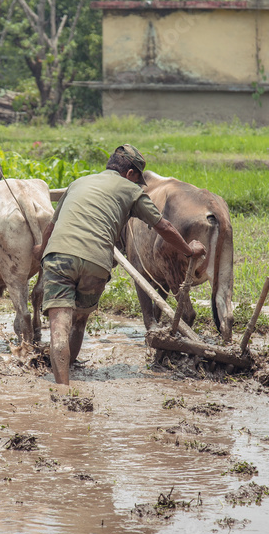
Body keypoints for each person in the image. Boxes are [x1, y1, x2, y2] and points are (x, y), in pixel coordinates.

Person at [32, 144, 208, 385]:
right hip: (96, 262)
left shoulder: (78, 183)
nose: (137, 185)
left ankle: (63, 390)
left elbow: (51, 226)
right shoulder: (131, 191)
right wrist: (189, 250)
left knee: (58, 327)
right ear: (130, 174)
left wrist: (40, 251)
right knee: (79, 322)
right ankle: (69, 370)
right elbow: (164, 227)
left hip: (60, 256)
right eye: (138, 180)